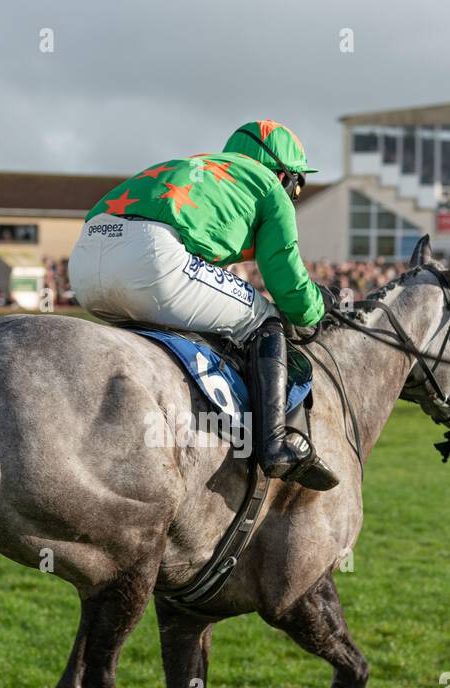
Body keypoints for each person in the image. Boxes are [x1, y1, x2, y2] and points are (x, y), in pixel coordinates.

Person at [69, 119, 338, 491]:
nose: (295, 192)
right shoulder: (267, 187)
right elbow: (286, 280)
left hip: (84, 263)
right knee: (266, 321)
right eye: (298, 183)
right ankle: (275, 444)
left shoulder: (197, 166)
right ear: (283, 174)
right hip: (150, 258)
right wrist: (315, 308)